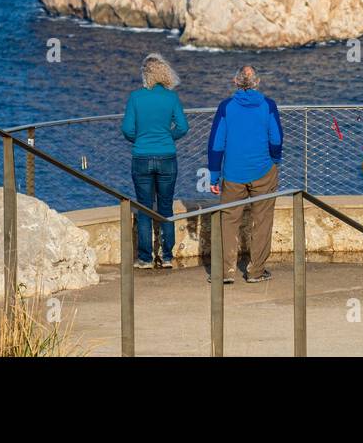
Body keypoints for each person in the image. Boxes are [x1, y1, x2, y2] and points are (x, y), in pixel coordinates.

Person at [207, 65, 282, 284]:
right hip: (263, 170)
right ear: (257, 82)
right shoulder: (268, 105)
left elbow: (216, 143)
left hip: (232, 173)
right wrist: (274, 160)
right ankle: (256, 271)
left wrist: (213, 175)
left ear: (236, 82)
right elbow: (276, 139)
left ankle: (225, 272)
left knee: (228, 221)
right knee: (263, 219)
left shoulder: (226, 107)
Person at [120, 53, 189, 269]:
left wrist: (140, 139)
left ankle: (145, 258)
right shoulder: (171, 98)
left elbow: (127, 129)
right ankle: (167, 256)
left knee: (144, 208)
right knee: (166, 206)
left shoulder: (136, 97)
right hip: (167, 156)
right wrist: (169, 137)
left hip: (141, 156)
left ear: (145, 75)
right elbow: (183, 127)